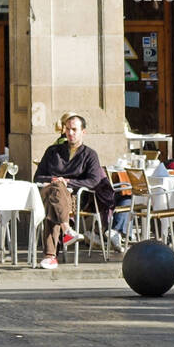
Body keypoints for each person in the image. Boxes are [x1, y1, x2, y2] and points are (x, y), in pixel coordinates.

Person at [33, 114, 115, 269]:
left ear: (83, 132)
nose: (70, 133)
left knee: (55, 198)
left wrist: (68, 182)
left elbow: (94, 180)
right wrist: (55, 181)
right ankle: (67, 229)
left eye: (74, 129)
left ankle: (50, 256)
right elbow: (37, 176)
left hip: (75, 197)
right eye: (68, 129)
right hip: (50, 192)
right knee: (55, 190)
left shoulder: (89, 154)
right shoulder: (53, 151)